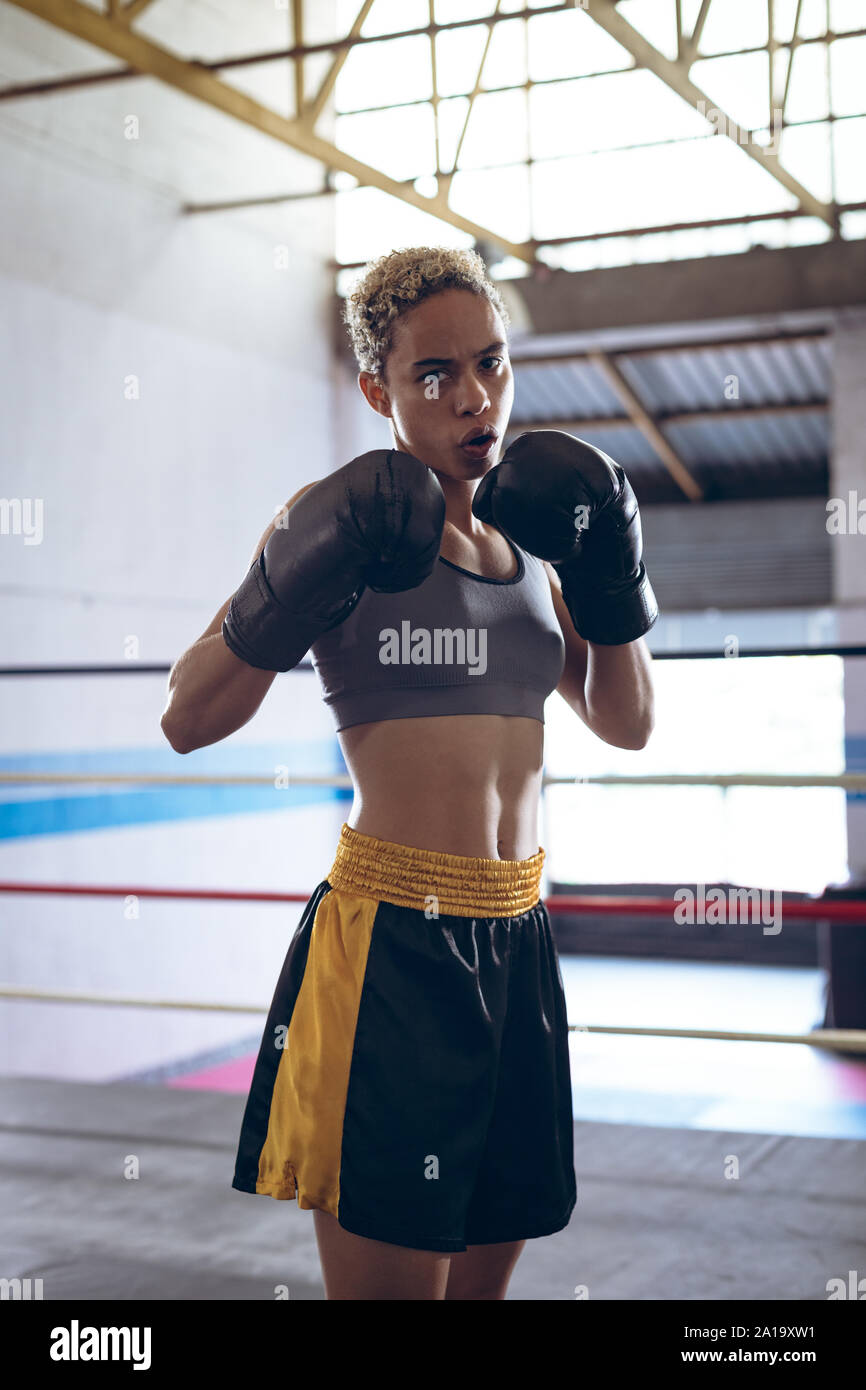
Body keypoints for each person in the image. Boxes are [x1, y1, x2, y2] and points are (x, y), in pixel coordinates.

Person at [160, 246, 657, 1300]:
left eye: (491, 362)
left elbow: (626, 720)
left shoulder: (533, 543)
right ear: (377, 388)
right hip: (392, 948)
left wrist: (611, 581)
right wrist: (290, 586)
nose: (474, 397)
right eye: (435, 374)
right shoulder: (339, 522)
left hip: (518, 939)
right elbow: (187, 716)